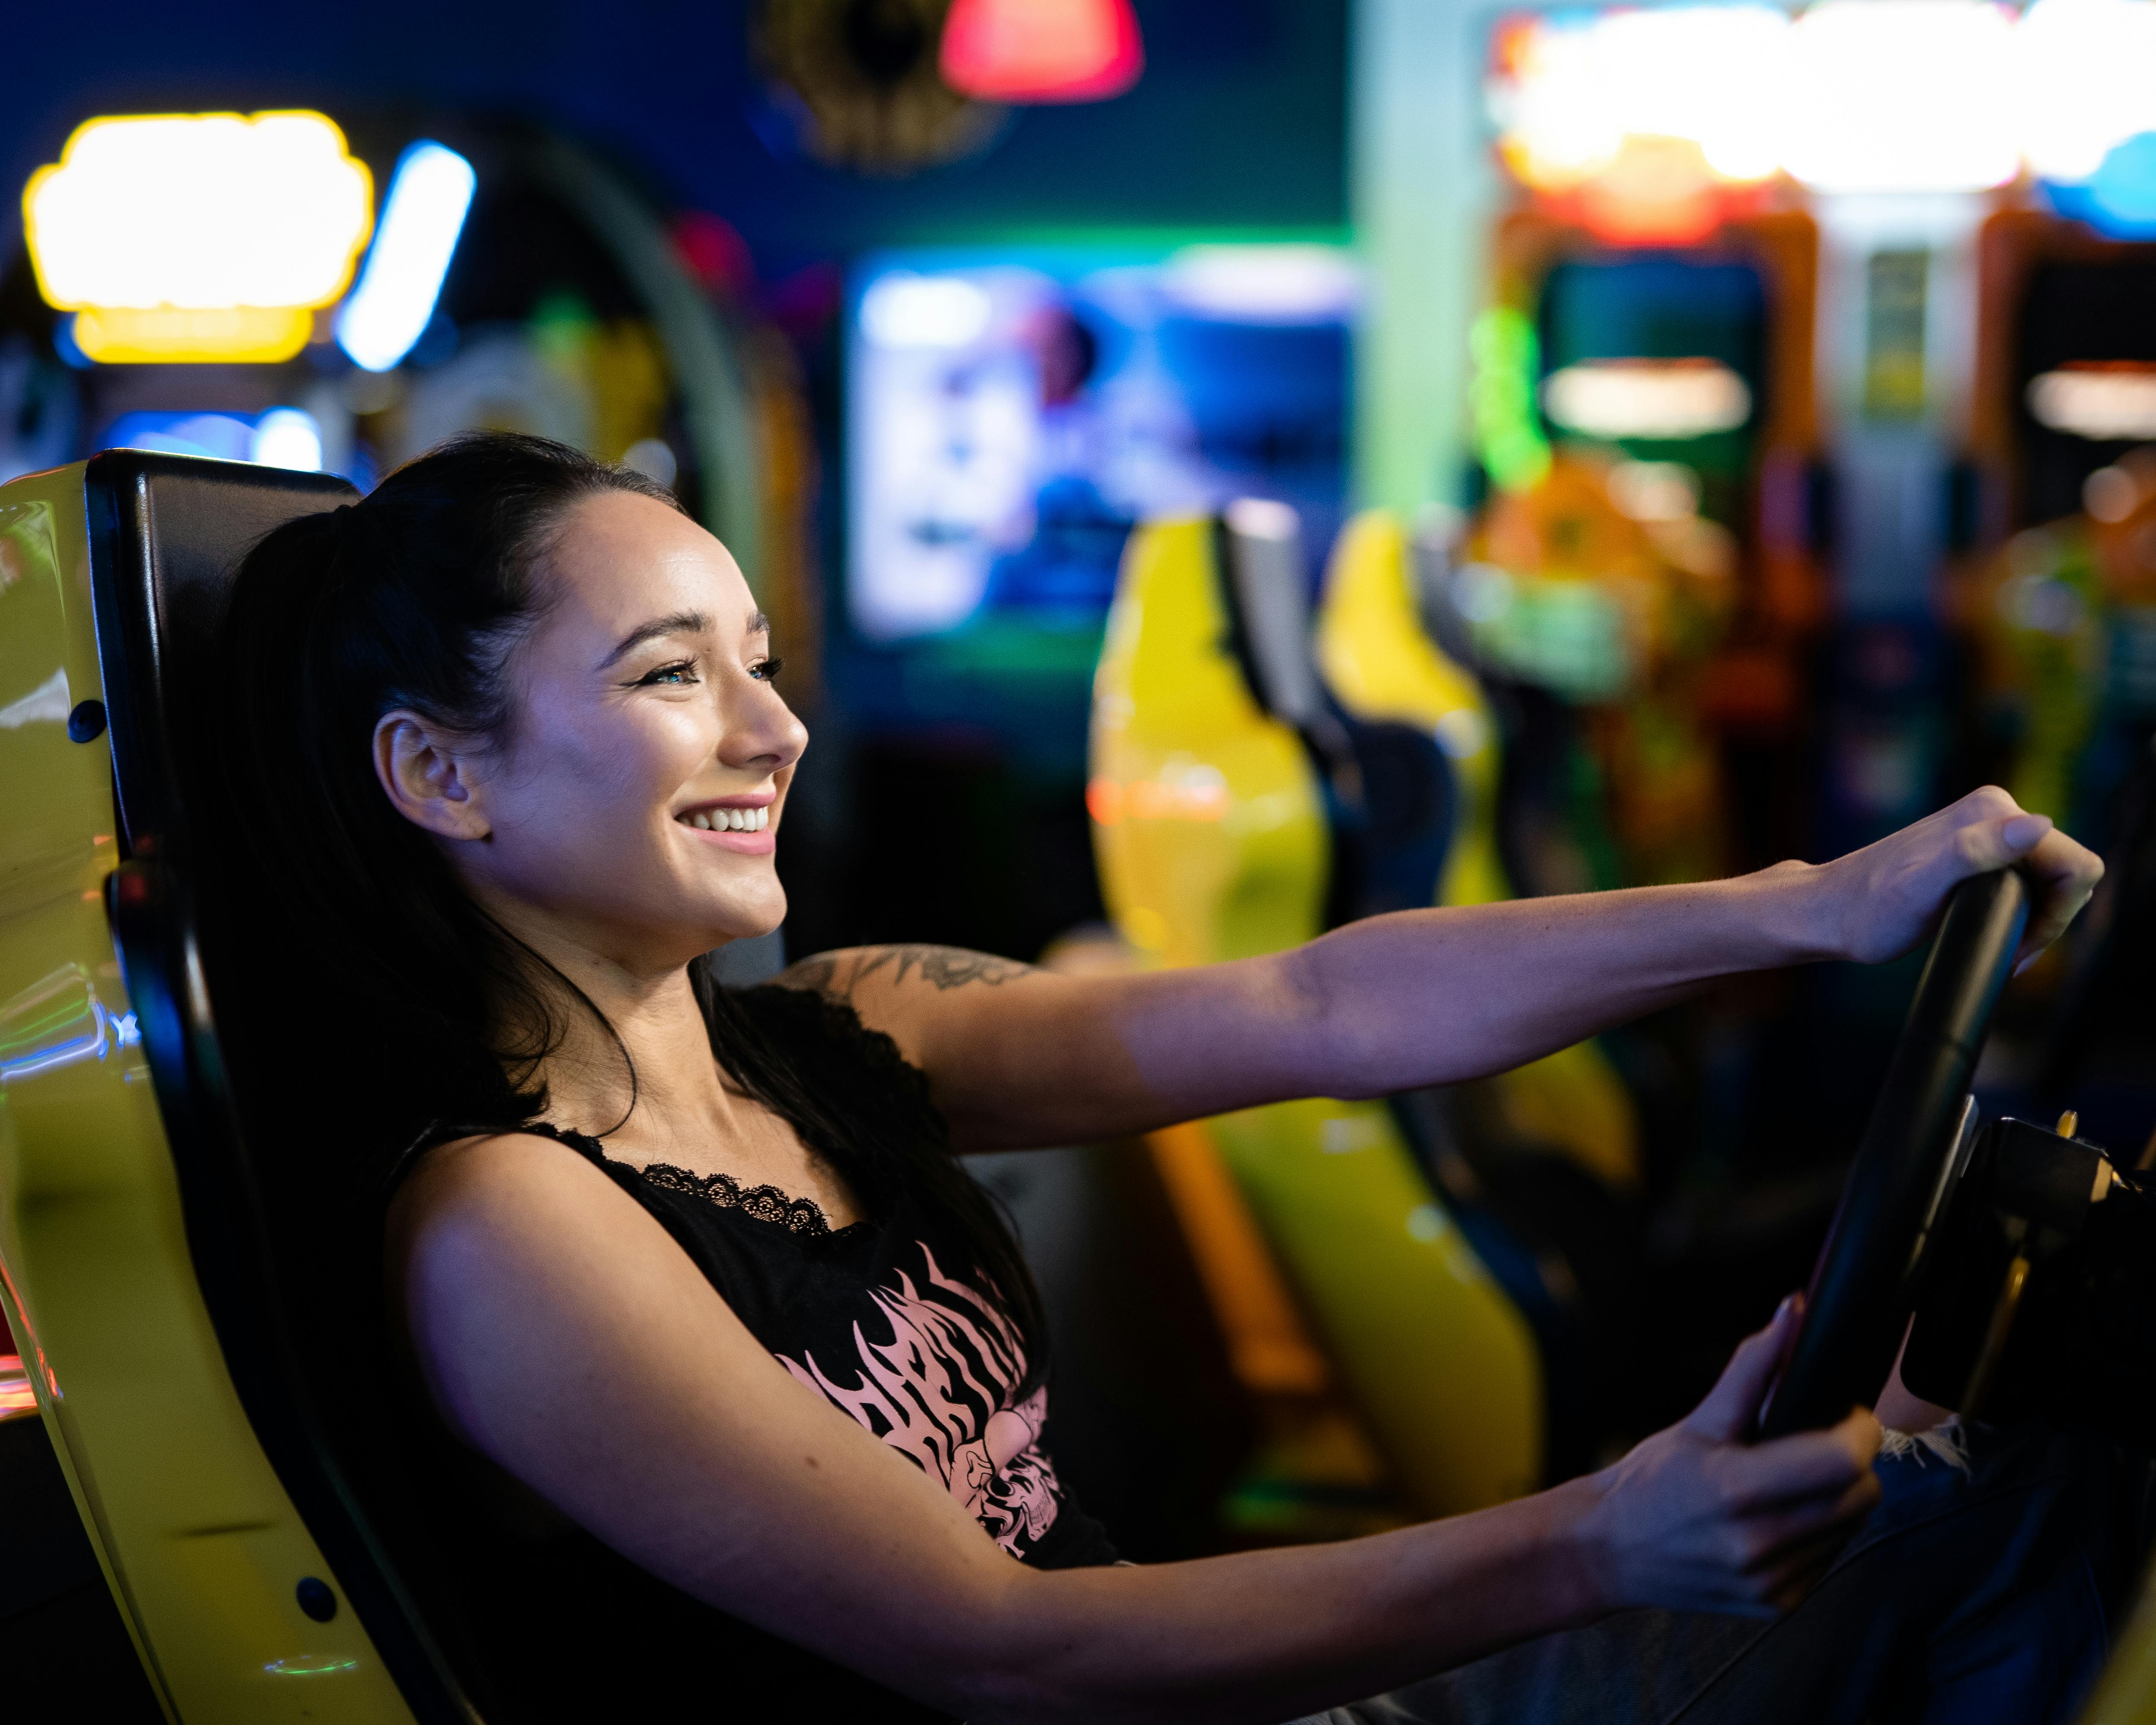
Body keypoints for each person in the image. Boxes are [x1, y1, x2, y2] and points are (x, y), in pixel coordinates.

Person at [208, 433, 2133, 1725]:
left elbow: (1313, 1009)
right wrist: (1599, 1535)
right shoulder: (504, 1222)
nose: (774, 726)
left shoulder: (822, 1035)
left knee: (2055, 1442)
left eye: (762, 660)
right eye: (666, 675)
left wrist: (1811, 907)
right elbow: (1002, 1647)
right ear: (437, 775)